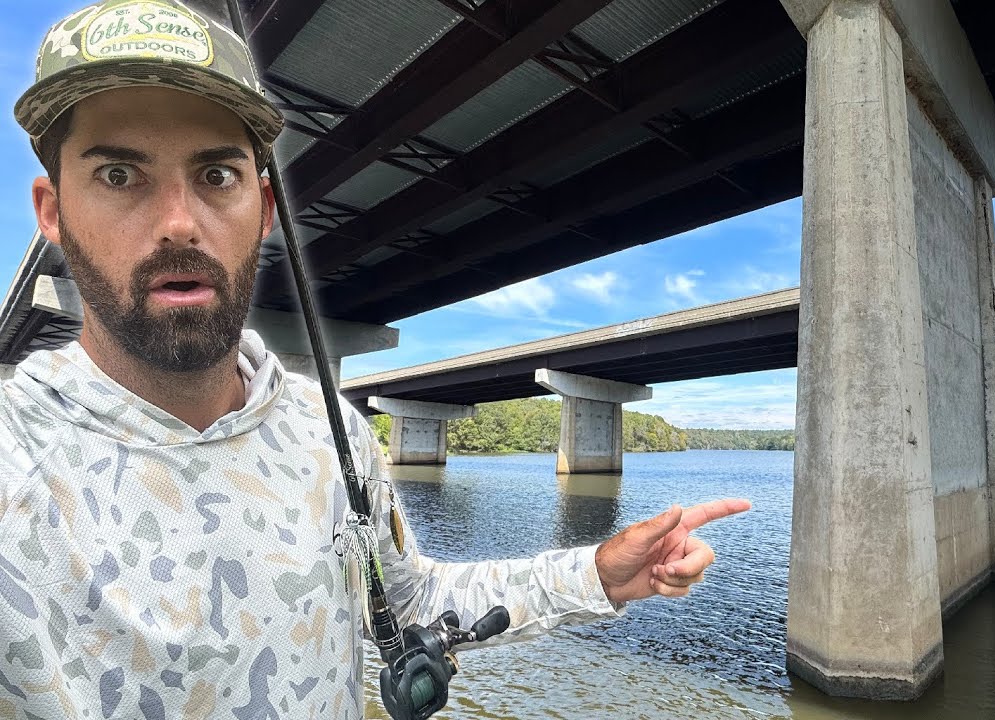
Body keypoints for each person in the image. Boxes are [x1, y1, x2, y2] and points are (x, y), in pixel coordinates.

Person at [0, 1, 750, 717]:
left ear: (263, 211)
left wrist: (598, 574)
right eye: (119, 174)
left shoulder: (333, 433)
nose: (177, 222)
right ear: (53, 211)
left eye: (217, 175)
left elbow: (411, 603)